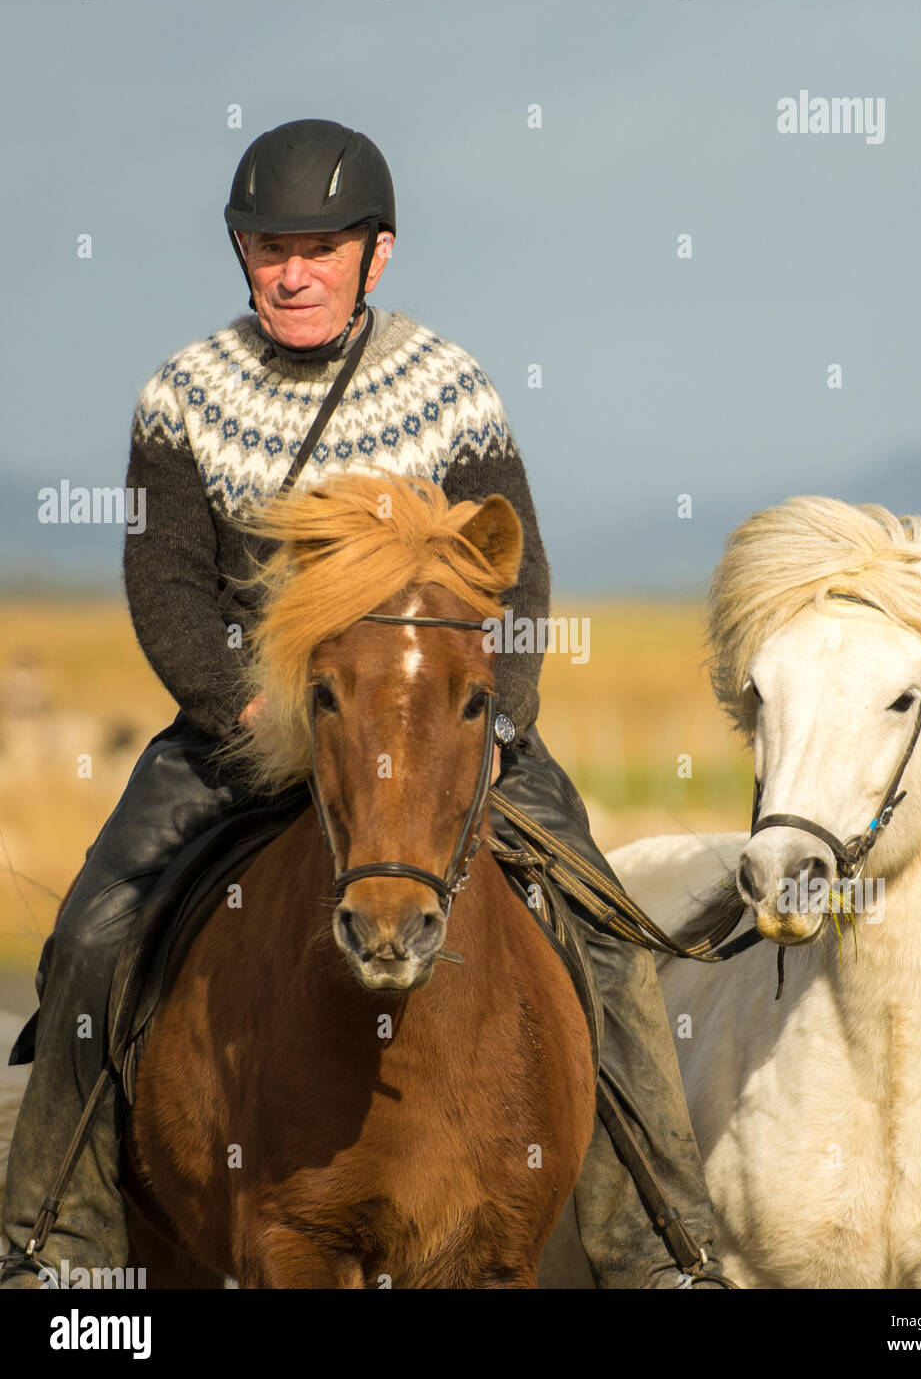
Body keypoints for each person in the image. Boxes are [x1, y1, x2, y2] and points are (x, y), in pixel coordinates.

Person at [1, 119, 728, 1289]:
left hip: (434, 723)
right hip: (245, 731)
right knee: (93, 935)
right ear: (242, 254)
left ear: (374, 256)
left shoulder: (450, 388)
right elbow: (168, 583)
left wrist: (496, 723)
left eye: (320, 249)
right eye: (268, 247)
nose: (292, 272)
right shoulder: (181, 396)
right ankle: (54, 1246)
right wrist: (246, 704)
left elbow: (516, 571)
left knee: (602, 935)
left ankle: (660, 1250)